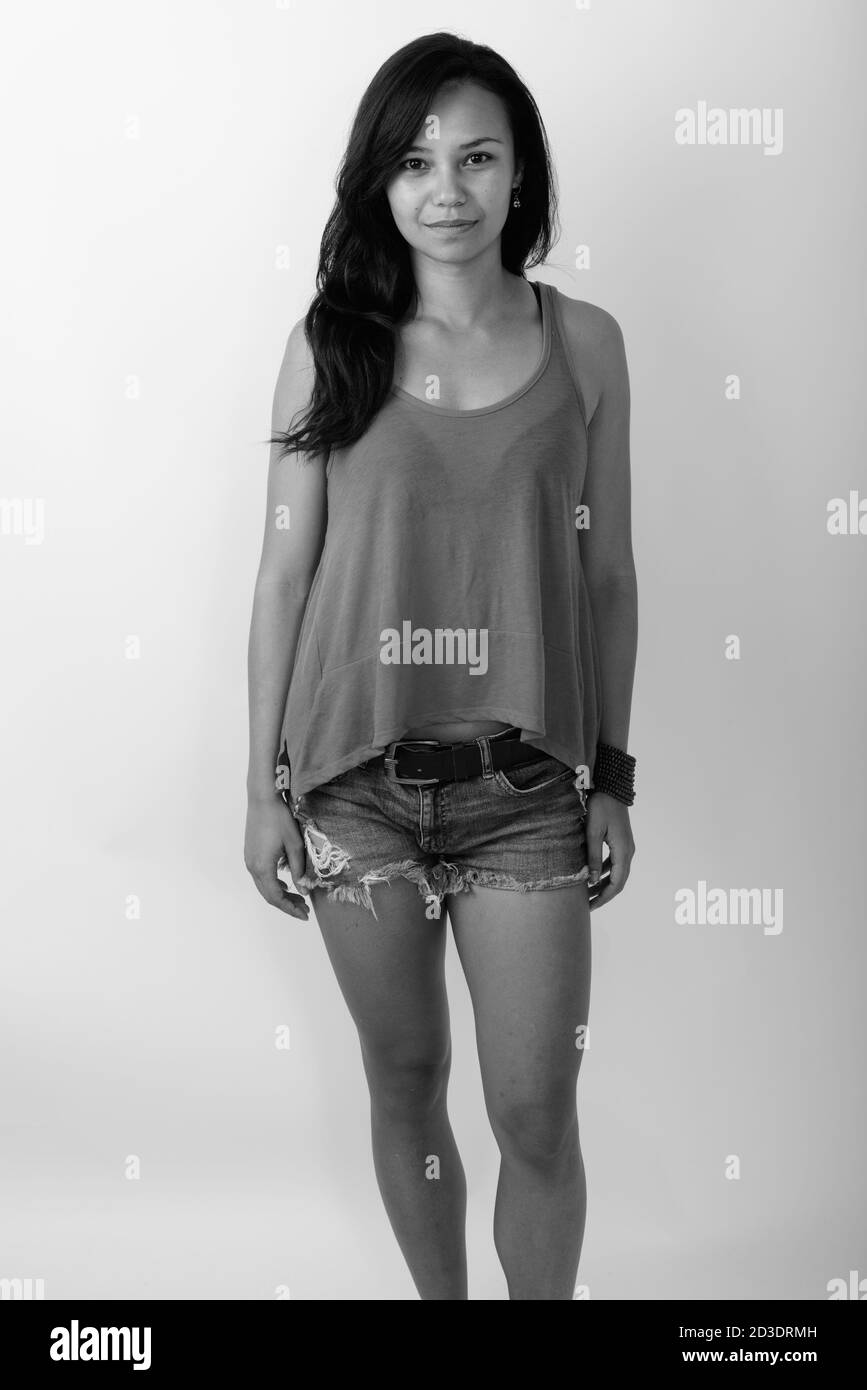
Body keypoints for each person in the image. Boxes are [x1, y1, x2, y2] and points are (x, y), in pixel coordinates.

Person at [245, 31, 637, 1301]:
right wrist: (262, 788)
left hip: (527, 788)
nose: (448, 190)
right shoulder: (332, 344)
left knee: (534, 1109)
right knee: (406, 1084)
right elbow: (284, 580)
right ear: (381, 183)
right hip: (354, 787)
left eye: (477, 157)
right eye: (415, 162)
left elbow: (607, 574)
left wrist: (613, 777)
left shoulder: (585, 345)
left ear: (520, 174)